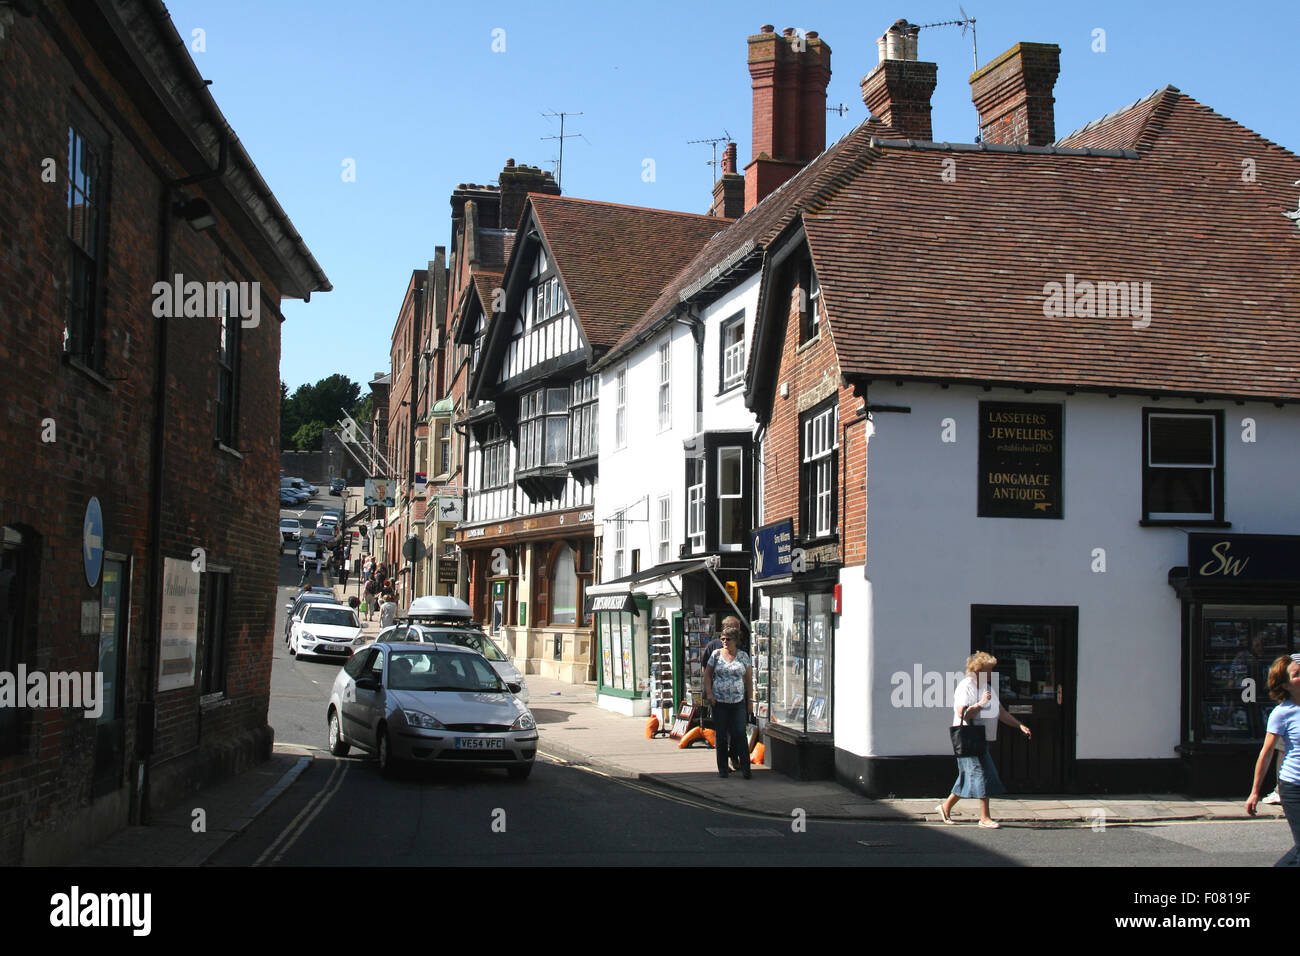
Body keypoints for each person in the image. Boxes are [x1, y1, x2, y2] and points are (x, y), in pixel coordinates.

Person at [938, 651, 1031, 829]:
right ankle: (985, 817)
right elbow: (962, 713)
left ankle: (945, 807)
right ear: (977, 670)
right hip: (968, 739)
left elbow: (1001, 712)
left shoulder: (986, 686)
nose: (991, 673)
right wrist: (980, 703)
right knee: (982, 773)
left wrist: (1019, 725)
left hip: (981, 738)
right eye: (988, 669)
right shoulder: (966, 686)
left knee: (966, 777)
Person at [1247, 656, 1300, 865]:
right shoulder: (1282, 713)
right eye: (1297, 675)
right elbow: (1266, 753)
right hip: (1294, 787)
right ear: (1285, 685)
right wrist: (1255, 792)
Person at [702, 625, 753, 779]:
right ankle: (723, 769)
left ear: (735, 640)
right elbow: (707, 675)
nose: (724, 641)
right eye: (722, 638)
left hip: (738, 702)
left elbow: (749, 680)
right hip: (719, 702)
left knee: (740, 734)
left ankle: (745, 768)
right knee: (721, 736)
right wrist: (710, 694)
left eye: (727, 639)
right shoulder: (716, 655)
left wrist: (750, 701)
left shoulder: (743, 656)